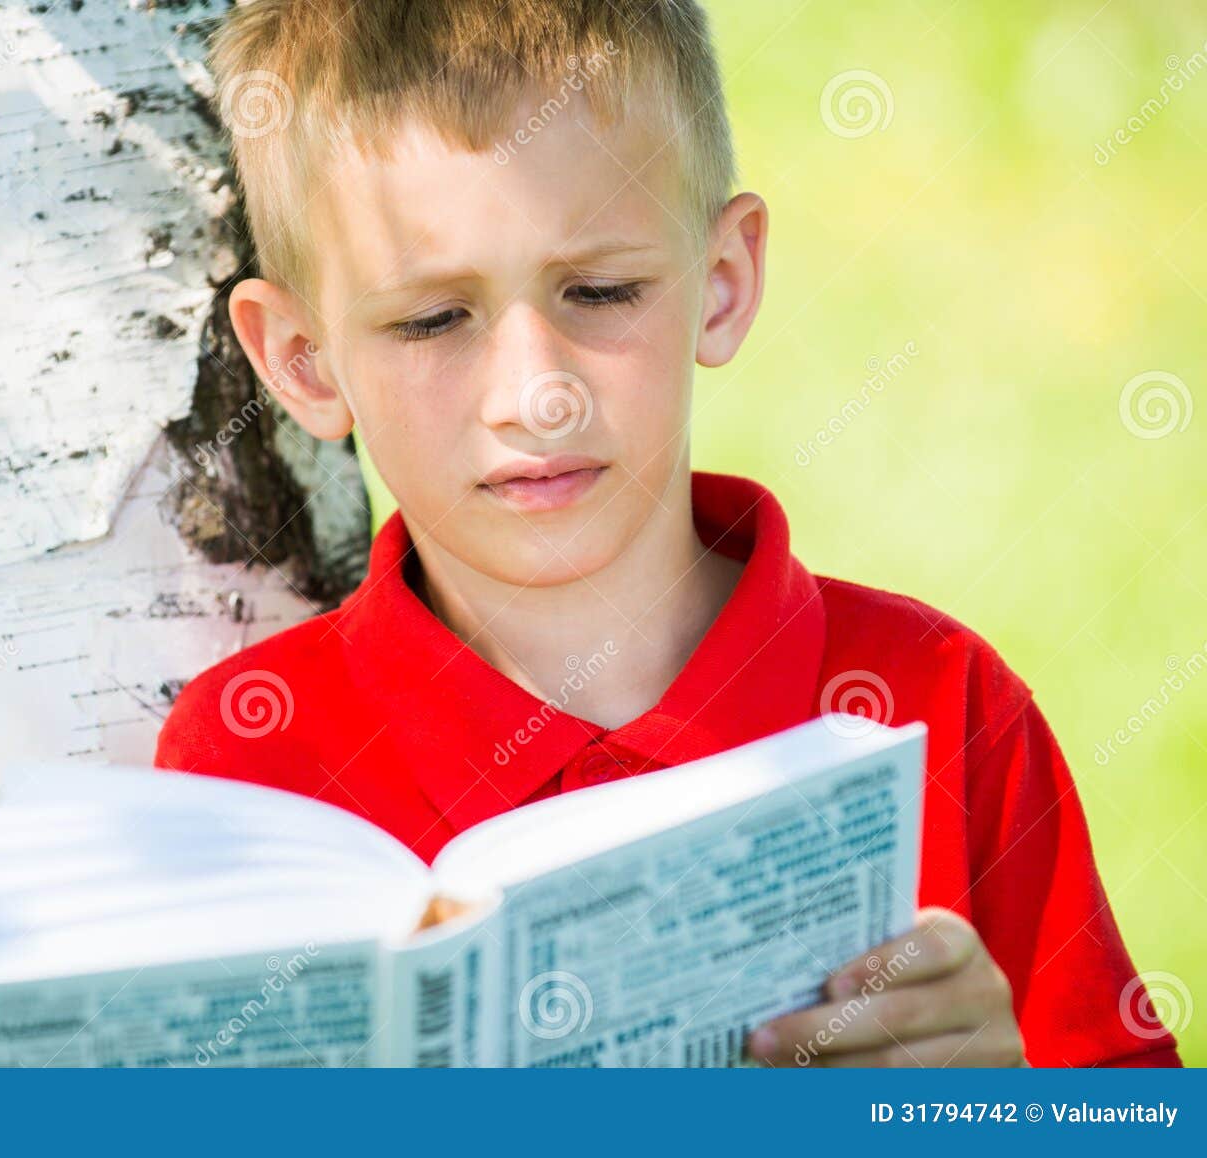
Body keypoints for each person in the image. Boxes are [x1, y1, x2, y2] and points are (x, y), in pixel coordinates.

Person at [155, 0, 1182, 1068]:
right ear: (304, 361)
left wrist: (995, 1108)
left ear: (723, 282)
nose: (534, 397)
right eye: (431, 320)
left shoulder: (940, 704)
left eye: (600, 292)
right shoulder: (247, 762)